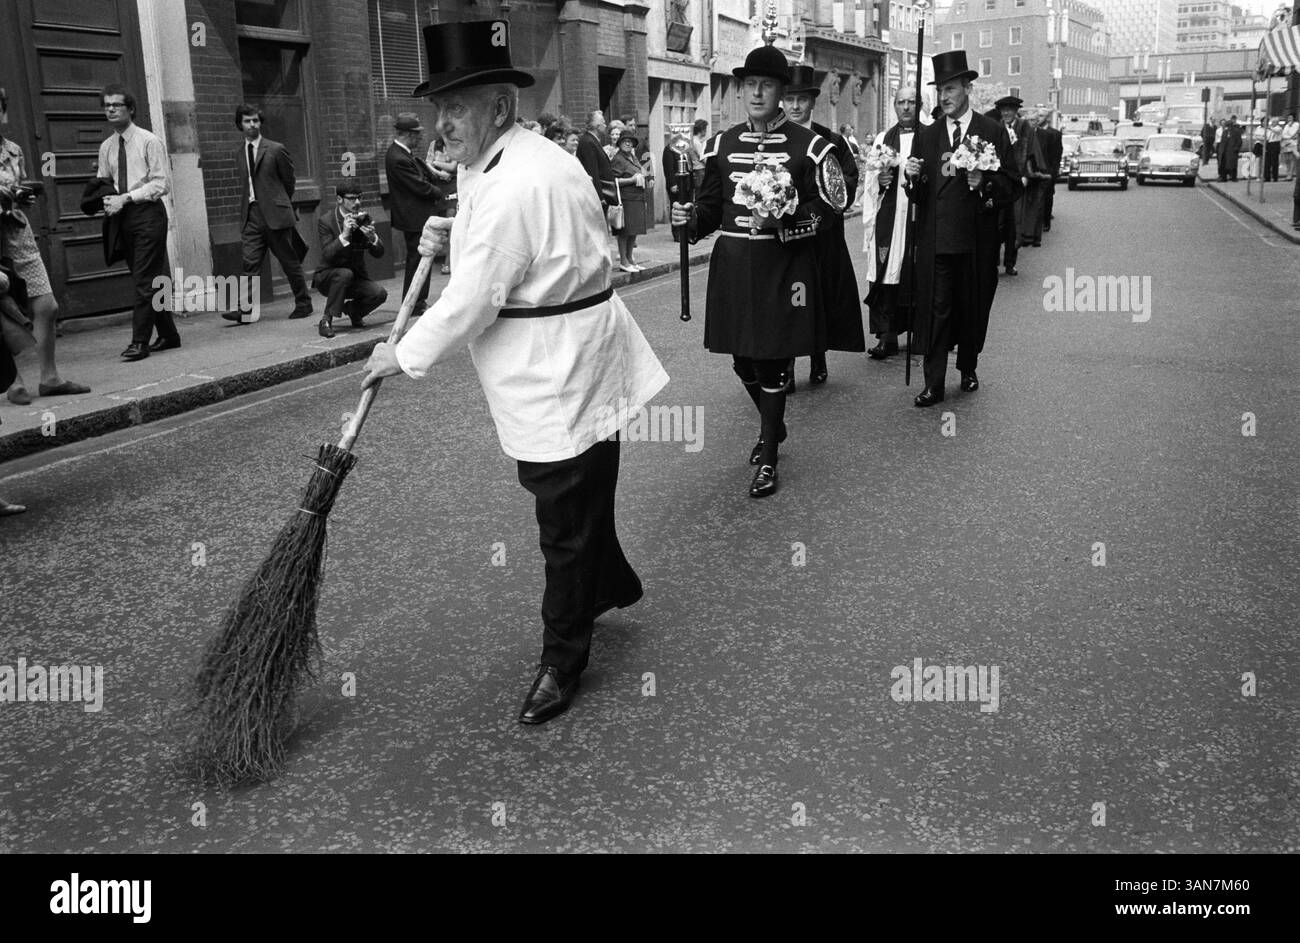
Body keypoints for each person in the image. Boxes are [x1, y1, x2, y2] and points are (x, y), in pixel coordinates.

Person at [362, 20, 668, 726]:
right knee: (586, 487)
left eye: (458, 107)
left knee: (562, 516)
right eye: (439, 108)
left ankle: (563, 658)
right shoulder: (517, 157)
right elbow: (496, 225)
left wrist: (399, 352)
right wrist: (451, 226)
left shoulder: (511, 183)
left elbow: (473, 299)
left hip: (555, 369)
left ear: (498, 108)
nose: (443, 124)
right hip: (584, 352)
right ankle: (607, 583)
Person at [670, 40, 845, 498]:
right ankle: (775, 426)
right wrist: (688, 220)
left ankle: (768, 454)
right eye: (750, 85)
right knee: (741, 358)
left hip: (784, 267)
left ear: (781, 93)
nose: (756, 93)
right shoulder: (720, 145)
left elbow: (831, 206)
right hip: (733, 264)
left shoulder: (811, 147)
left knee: (771, 361)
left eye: (766, 85)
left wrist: (788, 220)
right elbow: (710, 209)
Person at [903, 50, 1020, 407]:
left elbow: (1012, 186)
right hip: (937, 238)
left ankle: (968, 366)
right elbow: (919, 192)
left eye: (950, 89)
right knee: (936, 310)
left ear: (967, 88)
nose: (944, 97)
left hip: (976, 240)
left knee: (972, 307)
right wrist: (910, 180)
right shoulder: (929, 134)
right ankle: (933, 383)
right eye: (939, 90)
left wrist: (984, 182)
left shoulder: (992, 131)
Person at [0, 92, 88, 402]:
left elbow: (15, 188)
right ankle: (14, 383)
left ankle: (49, 378)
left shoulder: (13, 150)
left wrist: (22, 196)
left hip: (18, 234)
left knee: (47, 306)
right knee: (1, 310)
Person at [782, 64, 865, 387]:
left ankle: (818, 356)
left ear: (811, 102)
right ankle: (785, 368)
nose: (795, 106)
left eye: (801, 99)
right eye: (789, 99)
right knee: (788, 302)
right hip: (785, 237)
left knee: (819, 299)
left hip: (822, 235)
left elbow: (846, 181)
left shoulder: (831, 141)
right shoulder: (773, 139)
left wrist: (820, 207)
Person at [95, 84, 180, 361]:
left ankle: (139, 342)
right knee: (146, 278)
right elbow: (104, 181)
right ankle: (168, 335)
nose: (110, 109)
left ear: (130, 109)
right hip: (122, 219)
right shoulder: (107, 146)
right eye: (107, 105)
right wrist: (106, 199)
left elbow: (160, 184)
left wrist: (127, 198)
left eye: (116, 105)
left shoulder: (148, 141)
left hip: (148, 215)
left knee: (144, 279)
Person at [228, 103, 312, 324]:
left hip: (275, 215)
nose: (252, 124)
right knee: (250, 264)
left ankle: (304, 303)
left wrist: (279, 202)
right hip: (251, 215)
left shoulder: (275, 149)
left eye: (255, 120)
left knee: (289, 261)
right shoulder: (239, 153)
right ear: (240, 125)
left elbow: (289, 181)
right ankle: (246, 310)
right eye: (247, 121)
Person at [863, 84, 920, 361]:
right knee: (885, 271)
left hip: (915, 216)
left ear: (919, 104)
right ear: (894, 105)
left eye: (911, 102)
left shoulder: (928, 136)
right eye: (901, 102)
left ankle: (922, 334)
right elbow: (870, 178)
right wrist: (880, 180)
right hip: (888, 217)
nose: (906, 107)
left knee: (917, 271)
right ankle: (887, 336)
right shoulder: (885, 138)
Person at [311, 184, 387, 338]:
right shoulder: (327, 221)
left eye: (359, 197)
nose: (357, 202)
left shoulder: (363, 219)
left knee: (379, 293)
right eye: (352, 199)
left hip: (354, 278)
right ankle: (326, 320)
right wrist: (344, 235)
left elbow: (379, 254)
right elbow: (327, 255)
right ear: (339, 199)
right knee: (344, 274)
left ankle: (353, 310)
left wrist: (373, 238)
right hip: (328, 277)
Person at [386, 113, 443, 309]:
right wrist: (439, 193)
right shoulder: (398, 157)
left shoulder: (404, 155)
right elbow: (419, 186)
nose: (419, 138)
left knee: (420, 258)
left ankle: (417, 300)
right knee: (418, 260)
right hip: (414, 217)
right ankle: (414, 302)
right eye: (417, 134)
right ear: (408, 135)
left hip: (415, 215)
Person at [986, 95, 1032, 276]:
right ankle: (994, 261)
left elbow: (1031, 152)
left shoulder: (1024, 127)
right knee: (996, 223)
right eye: (1003, 110)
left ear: (1015, 111)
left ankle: (1010, 263)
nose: (1006, 113)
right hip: (998, 181)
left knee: (1014, 224)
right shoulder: (993, 128)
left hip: (1016, 181)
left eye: (1010, 110)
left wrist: (1026, 175)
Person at [609, 133, 647, 271]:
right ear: (619, 143)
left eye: (630, 142)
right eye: (624, 141)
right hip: (626, 199)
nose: (627, 144)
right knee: (625, 231)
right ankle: (624, 261)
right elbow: (613, 180)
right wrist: (632, 180)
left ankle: (630, 259)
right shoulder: (618, 159)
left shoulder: (633, 157)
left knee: (633, 231)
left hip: (636, 198)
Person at [424, 135, 459, 275]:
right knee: (437, 225)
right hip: (437, 187)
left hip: (453, 189)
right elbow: (427, 163)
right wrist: (440, 172)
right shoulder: (434, 143)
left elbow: (452, 167)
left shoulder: (458, 142)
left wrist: (436, 164)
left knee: (451, 226)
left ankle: (448, 263)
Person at [1018, 109, 1051, 249]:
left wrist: (1047, 175)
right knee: (1025, 208)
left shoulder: (1049, 135)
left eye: (1033, 120)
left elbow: (1051, 157)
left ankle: (1035, 237)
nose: (1030, 123)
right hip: (1027, 174)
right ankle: (1025, 235)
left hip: (1040, 175)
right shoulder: (1021, 134)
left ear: (1038, 121)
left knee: (1037, 207)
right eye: (1028, 120)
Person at [575, 110, 617, 218]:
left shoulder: (594, 140)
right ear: (597, 126)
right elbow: (592, 169)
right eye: (603, 123)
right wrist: (599, 196)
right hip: (597, 194)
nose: (605, 125)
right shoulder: (588, 141)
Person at [1036, 108, 1063, 234]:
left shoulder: (1055, 134)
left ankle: (1046, 220)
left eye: (1041, 116)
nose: (1039, 118)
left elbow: (1057, 154)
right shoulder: (1033, 133)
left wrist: (1054, 172)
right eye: (1038, 116)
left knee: (1048, 196)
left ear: (1046, 118)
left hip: (1049, 169)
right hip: (1036, 169)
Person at [1218, 116, 1242, 182]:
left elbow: (1239, 141)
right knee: (1224, 165)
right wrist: (1221, 150)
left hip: (1232, 151)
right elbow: (1222, 141)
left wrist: (1236, 148)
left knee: (1233, 165)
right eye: (1227, 126)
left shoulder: (1236, 132)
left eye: (1229, 126)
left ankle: (1233, 177)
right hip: (1225, 151)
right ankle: (1223, 178)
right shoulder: (1225, 132)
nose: (1228, 127)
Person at [1264, 118, 1282, 183]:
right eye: (1272, 122)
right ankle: (1267, 177)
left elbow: (1276, 131)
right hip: (1269, 144)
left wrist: (1270, 128)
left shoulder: (1279, 128)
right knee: (1267, 162)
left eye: (1274, 122)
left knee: (1274, 162)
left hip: (1275, 144)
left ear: (1277, 122)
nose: (1272, 123)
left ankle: (1275, 177)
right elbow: (1267, 136)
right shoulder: (1269, 129)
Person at [1282, 113, 1299, 180]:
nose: (1289, 119)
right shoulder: (1286, 125)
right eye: (1289, 118)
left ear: (1294, 118)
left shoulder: (1297, 124)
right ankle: (1288, 173)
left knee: (1292, 159)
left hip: (1293, 143)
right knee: (1287, 159)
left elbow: (1294, 134)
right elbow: (1283, 134)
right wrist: (1288, 137)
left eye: (1291, 118)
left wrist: (1289, 137)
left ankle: (1291, 175)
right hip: (1286, 143)